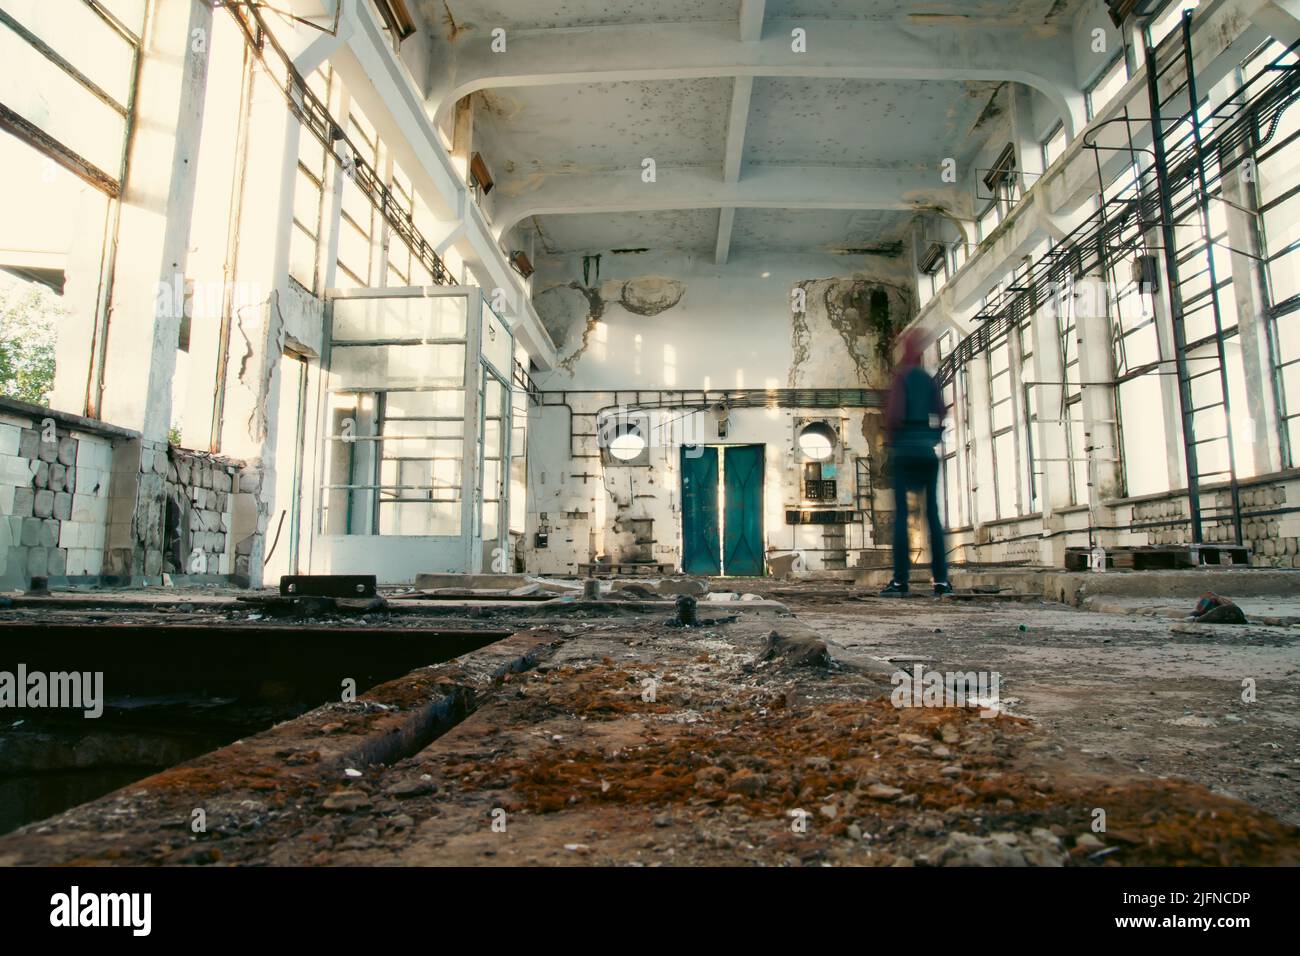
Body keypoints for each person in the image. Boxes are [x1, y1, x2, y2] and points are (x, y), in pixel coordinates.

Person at [880, 329, 952, 597]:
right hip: (927, 453)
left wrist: (891, 436)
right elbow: (942, 411)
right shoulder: (927, 379)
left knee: (902, 517)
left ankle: (900, 582)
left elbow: (895, 415)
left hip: (905, 453)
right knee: (932, 515)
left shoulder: (902, 377)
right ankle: (942, 582)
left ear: (906, 350)